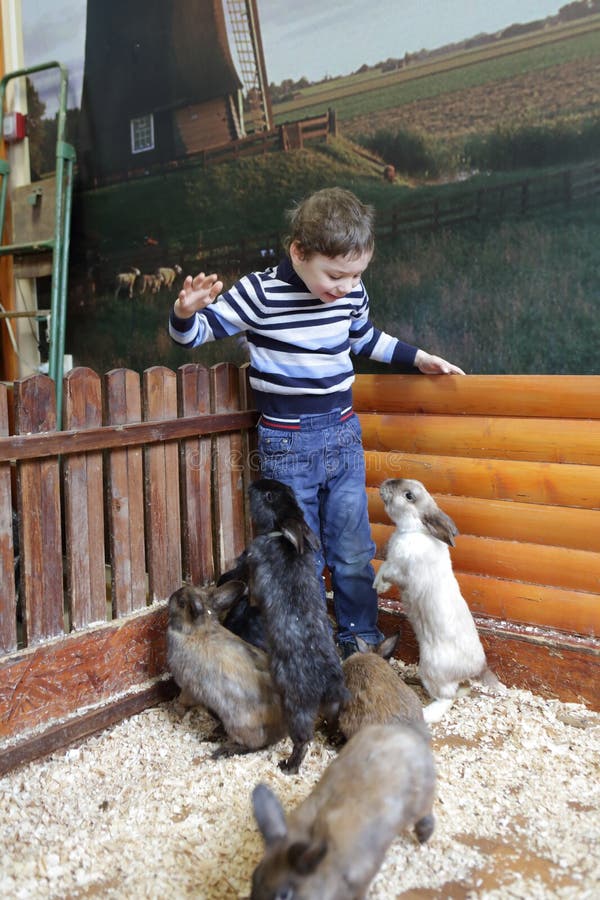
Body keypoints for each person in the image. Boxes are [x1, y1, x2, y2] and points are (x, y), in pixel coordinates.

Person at [168, 187, 465, 658]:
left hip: (343, 434)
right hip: (287, 442)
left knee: (352, 549)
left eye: (357, 275)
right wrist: (185, 313)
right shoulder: (259, 292)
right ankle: (308, 651)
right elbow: (196, 333)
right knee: (300, 555)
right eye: (336, 275)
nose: (346, 286)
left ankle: (360, 643)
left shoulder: (350, 291)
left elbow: (365, 337)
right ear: (299, 252)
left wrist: (420, 358)